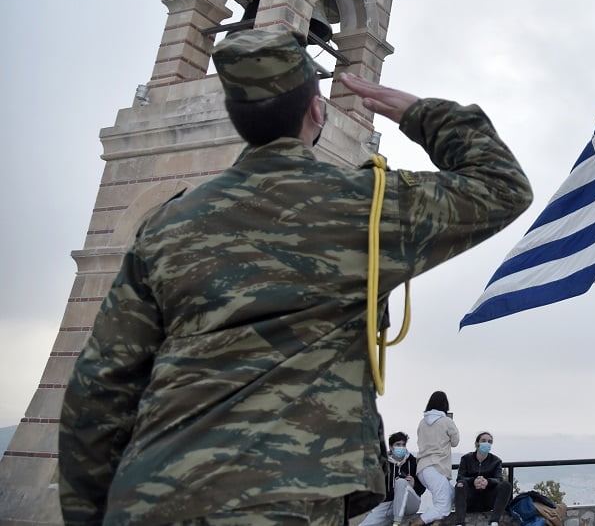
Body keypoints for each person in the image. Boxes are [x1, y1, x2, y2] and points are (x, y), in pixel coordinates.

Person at [57, 28, 533, 526]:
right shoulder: (366, 208)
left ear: (239, 120)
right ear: (315, 111)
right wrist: (420, 113)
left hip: (150, 494)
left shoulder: (167, 226)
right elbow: (502, 185)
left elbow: (99, 386)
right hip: (284, 501)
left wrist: (93, 513)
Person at [360, 432, 425, 526]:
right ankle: (393, 517)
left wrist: (414, 485)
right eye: (398, 444)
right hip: (389, 504)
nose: (401, 447)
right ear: (391, 447)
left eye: (403, 445)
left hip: (410, 504)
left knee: (401, 482)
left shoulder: (413, 462)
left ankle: (397, 522)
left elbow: (422, 489)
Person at [416, 391, 461, 526]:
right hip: (437, 467)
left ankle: (437, 522)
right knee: (443, 507)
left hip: (422, 469)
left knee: (453, 494)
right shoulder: (446, 421)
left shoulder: (422, 422)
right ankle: (417, 523)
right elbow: (455, 442)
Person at [454, 431, 513, 526]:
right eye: (484, 440)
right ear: (477, 443)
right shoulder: (466, 459)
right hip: (470, 499)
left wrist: (487, 482)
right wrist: (473, 481)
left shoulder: (496, 461)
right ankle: (460, 523)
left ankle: (494, 521)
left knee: (506, 485)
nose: (487, 443)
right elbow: (460, 477)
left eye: (489, 441)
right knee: (460, 484)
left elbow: (499, 479)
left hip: (487, 498)